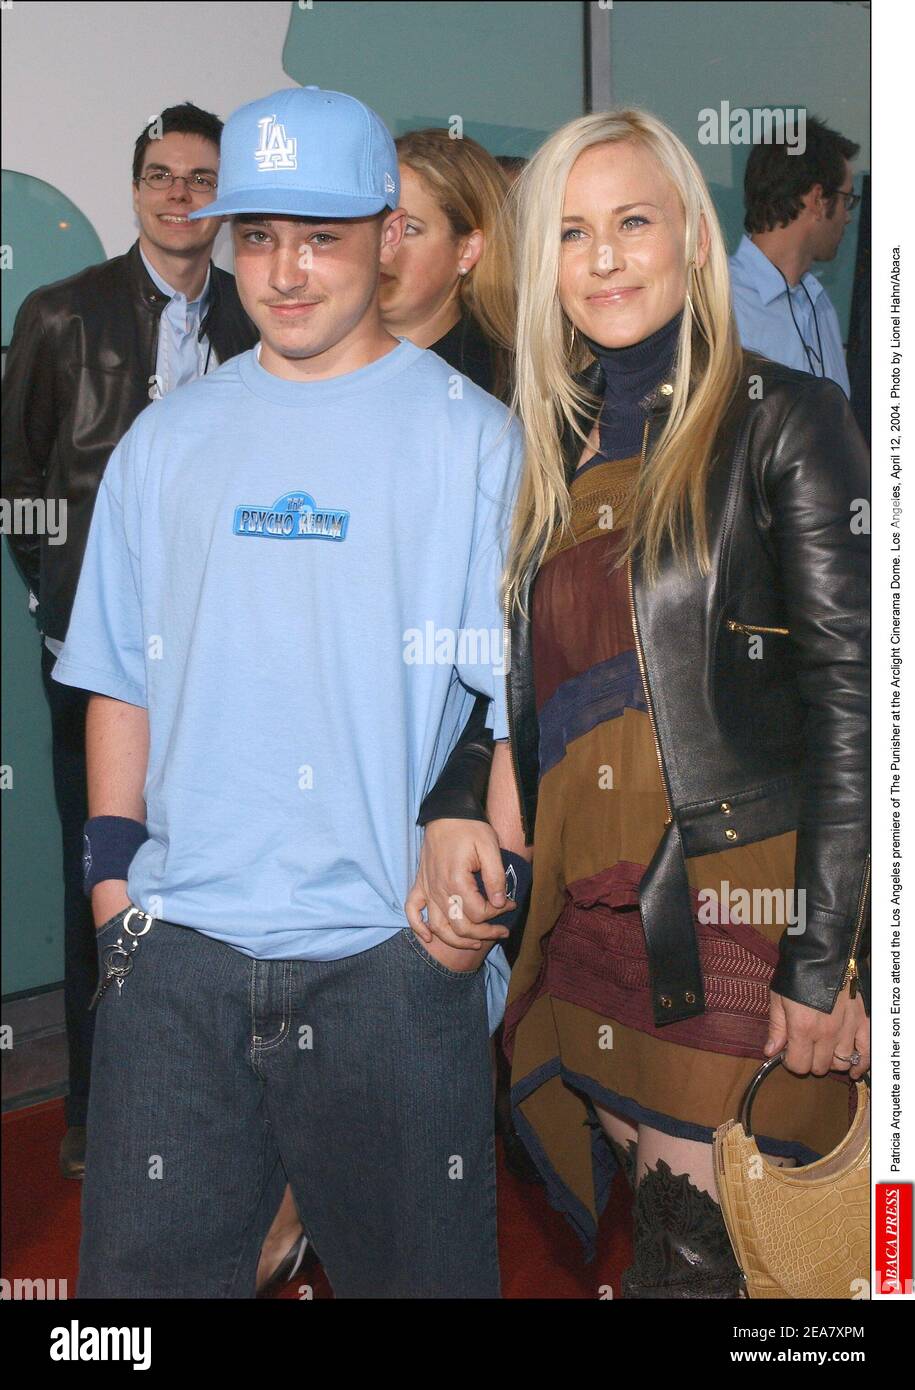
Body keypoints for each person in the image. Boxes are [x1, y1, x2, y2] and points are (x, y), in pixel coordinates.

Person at [52, 84, 522, 1299]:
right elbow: (117, 678)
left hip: (388, 966)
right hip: (178, 965)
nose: (287, 271)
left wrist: (481, 906)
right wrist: (118, 907)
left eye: (322, 237)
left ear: (385, 230)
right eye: (258, 236)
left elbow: (515, 706)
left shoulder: (477, 442)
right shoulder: (167, 440)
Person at [410, 107, 870, 1298]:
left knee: (711, 1263)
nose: (604, 257)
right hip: (589, 918)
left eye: (631, 223)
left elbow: (855, 705)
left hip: (735, 914)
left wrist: (826, 960)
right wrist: (459, 796)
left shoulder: (788, 420)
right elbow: (515, 680)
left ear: (692, 242)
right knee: (664, 1254)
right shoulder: (539, 447)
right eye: (570, 231)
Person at [1, 101, 256, 1182]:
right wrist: (75, 603)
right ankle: (97, 1109)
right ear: (135, 186)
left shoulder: (266, 316)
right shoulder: (61, 315)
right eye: (162, 175)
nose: (180, 195)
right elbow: (20, 488)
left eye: (202, 178)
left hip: (240, 654)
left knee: (225, 871)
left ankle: (233, 1100)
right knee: (99, 875)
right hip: (100, 661)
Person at [729, 116, 860, 397]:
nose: (847, 217)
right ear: (817, 199)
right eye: (846, 199)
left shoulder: (818, 302)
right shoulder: (719, 302)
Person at [379, 129, 514, 399]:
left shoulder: (499, 391)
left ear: (467, 250)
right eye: (373, 224)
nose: (382, 247)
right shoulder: (299, 357)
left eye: (408, 230)